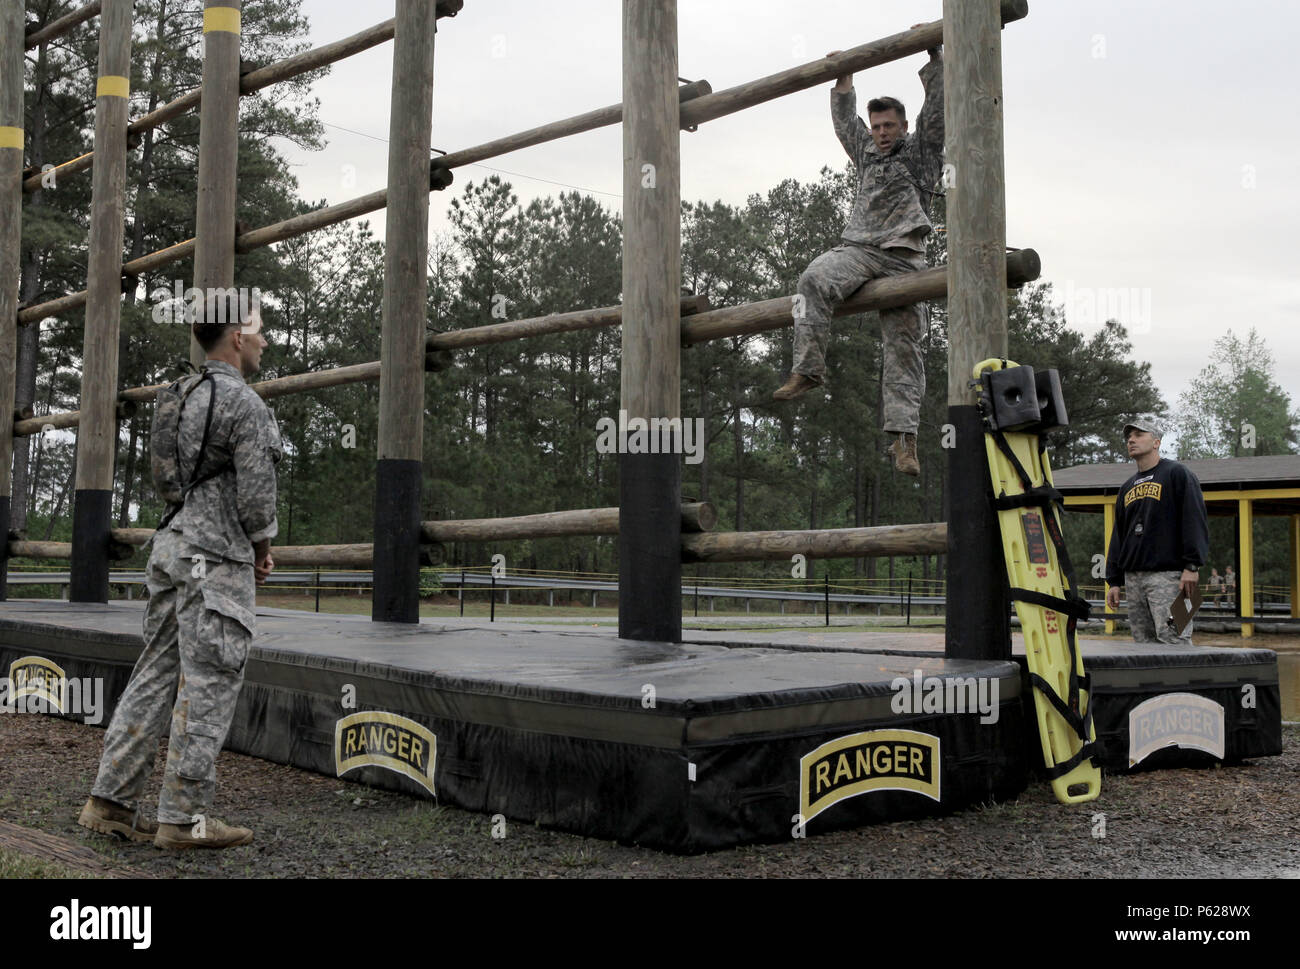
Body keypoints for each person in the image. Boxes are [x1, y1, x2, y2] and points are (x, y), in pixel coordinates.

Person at [78, 292, 281, 849]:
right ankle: (184, 816)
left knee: (155, 672)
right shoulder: (244, 404)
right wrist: (262, 545)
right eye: (259, 330)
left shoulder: (179, 393)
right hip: (215, 555)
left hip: (171, 545)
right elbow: (257, 500)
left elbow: (165, 480)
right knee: (211, 677)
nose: (265, 339)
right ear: (236, 336)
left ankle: (110, 801)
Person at [772, 27, 944, 478]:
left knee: (904, 349)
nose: (883, 132)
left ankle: (905, 442)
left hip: (905, 259)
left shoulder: (922, 150)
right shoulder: (866, 151)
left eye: (890, 126)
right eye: (877, 126)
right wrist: (844, 81)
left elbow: (938, 111)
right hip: (860, 252)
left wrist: (934, 53)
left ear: (903, 127)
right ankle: (808, 370)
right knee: (813, 279)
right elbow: (845, 125)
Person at [1104, 417, 1210, 645]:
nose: (1131, 440)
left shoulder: (1178, 474)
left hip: (1171, 576)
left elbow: (1194, 519)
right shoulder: (1126, 487)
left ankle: (1183, 682)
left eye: (1138, 435)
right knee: (1143, 643)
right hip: (1133, 578)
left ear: (1156, 442)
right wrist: (1113, 580)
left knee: (1176, 636)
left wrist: (1192, 566)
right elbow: (1119, 535)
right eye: (1129, 437)